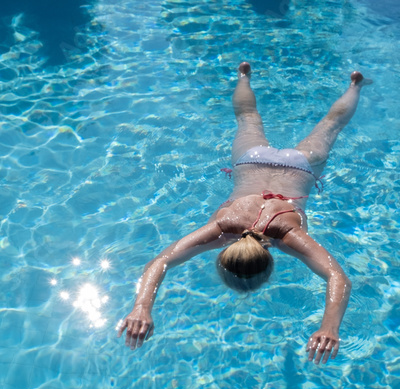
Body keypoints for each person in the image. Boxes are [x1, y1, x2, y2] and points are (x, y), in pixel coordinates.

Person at [118, 62, 368, 364]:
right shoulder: (225, 228)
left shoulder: (286, 235)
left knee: (331, 124)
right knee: (248, 118)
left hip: (300, 164)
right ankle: (247, 75)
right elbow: (159, 263)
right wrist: (140, 308)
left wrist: (329, 329)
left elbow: (337, 278)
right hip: (252, 161)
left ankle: (353, 85)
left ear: (270, 261)